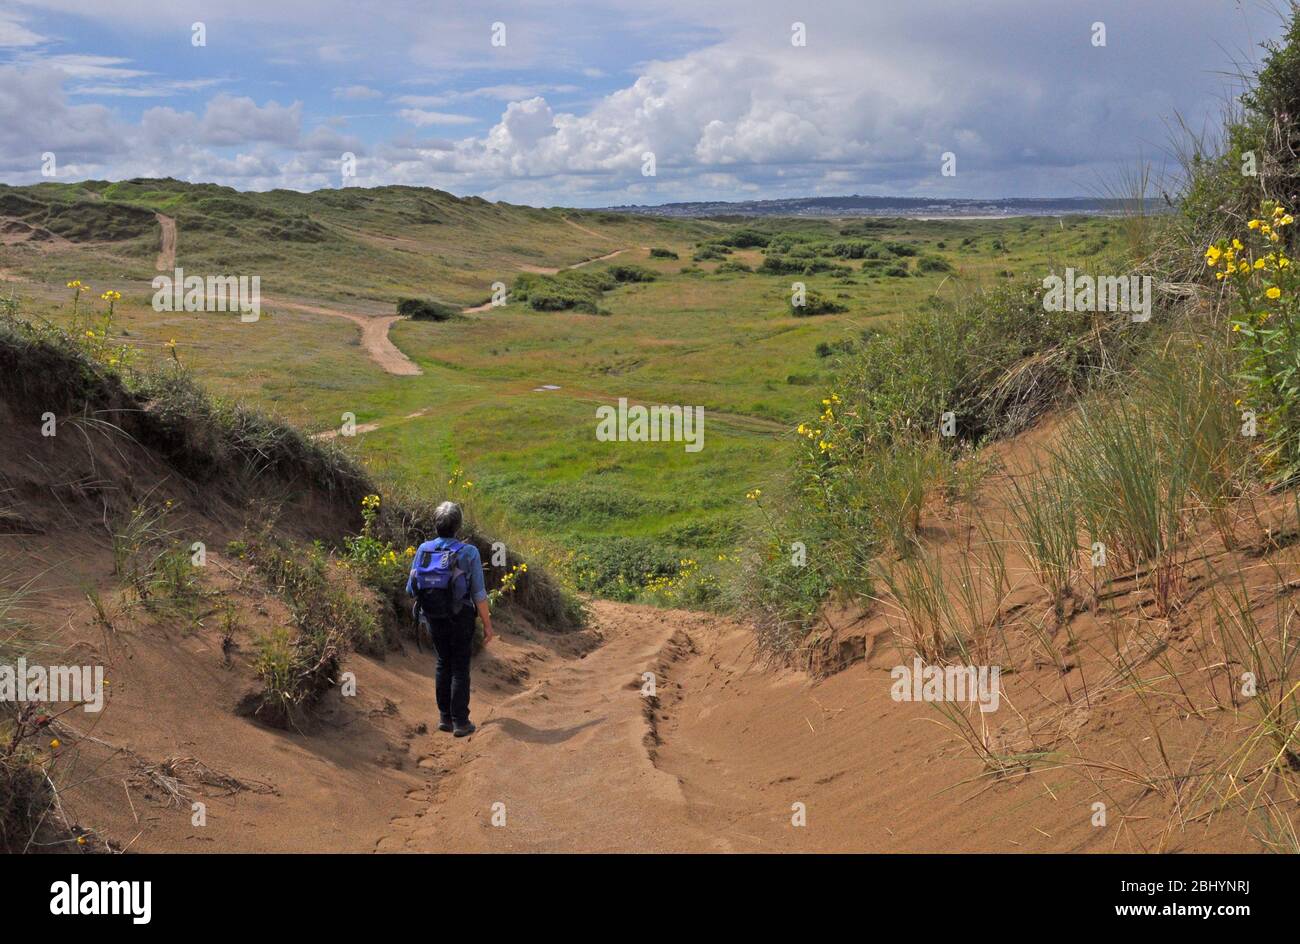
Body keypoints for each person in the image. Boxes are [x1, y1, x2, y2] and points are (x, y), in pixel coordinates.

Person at [406, 501, 493, 737]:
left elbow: (410, 589)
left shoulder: (424, 549)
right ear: (459, 526)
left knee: (443, 662)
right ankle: (461, 722)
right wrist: (487, 624)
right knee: (460, 667)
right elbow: (479, 594)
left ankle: (444, 718)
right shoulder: (469, 552)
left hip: (433, 616)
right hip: (461, 617)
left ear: (436, 524)